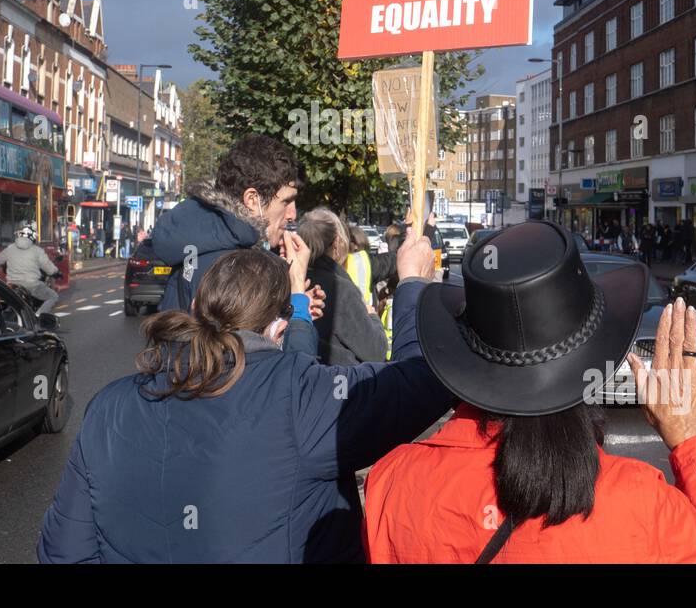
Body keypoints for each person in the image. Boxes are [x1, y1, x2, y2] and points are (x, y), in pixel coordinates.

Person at [362, 220, 696, 564]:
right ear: (592, 354)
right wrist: (688, 436)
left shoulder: (392, 484)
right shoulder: (639, 502)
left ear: (466, 354)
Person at [37, 230, 454, 563]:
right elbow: (424, 379)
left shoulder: (108, 407)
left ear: (197, 304)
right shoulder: (303, 402)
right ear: (277, 330)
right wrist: (413, 283)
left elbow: (65, 550)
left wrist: (297, 314)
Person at [151, 134, 300, 313]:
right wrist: (298, 308)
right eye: (286, 202)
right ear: (252, 200)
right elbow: (246, 341)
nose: (292, 214)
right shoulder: (230, 269)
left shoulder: (210, 244)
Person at [297, 210, 389, 365]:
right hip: (340, 384)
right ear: (337, 242)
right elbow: (376, 351)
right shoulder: (340, 290)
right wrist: (372, 316)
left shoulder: (291, 281)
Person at [0, 224, 60, 315]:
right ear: (33, 238)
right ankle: (37, 316)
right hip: (31, 285)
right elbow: (48, 267)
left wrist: (4, 264)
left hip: (12, 285)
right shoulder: (37, 250)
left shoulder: (10, 248)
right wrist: (56, 272)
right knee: (53, 296)